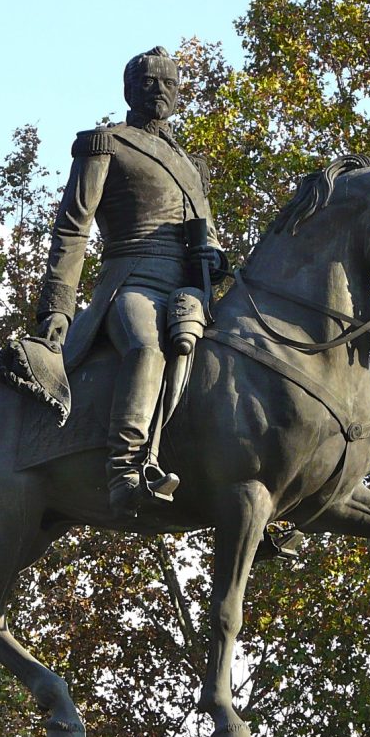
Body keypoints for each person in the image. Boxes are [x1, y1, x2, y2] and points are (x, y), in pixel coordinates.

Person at [36, 46, 226, 516]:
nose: (159, 90)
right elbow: (73, 227)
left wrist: (215, 259)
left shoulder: (193, 166)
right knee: (146, 347)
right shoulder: (108, 143)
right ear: (128, 89)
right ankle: (125, 473)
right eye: (148, 82)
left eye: (168, 83)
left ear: (180, 94)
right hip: (133, 280)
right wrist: (58, 304)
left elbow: (213, 239)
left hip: (189, 291)